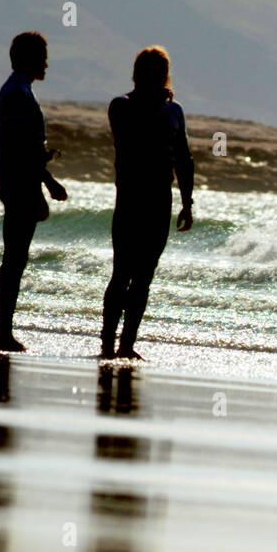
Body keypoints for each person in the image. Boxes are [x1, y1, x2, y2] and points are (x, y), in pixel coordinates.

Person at [100, 46, 194, 360]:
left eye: (160, 73)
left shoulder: (175, 112)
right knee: (122, 273)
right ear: (139, 75)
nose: (156, 79)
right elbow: (133, 142)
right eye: (150, 73)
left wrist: (187, 202)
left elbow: (183, 158)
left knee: (145, 276)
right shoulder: (122, 106)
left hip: (160, 201)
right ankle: (107, 344)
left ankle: (127, 344)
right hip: (130, 198)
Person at [0, 31, 68, 352]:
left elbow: (23, 146)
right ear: (28, 59)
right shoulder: (18, 93)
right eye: (42, 57)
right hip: (18, 182)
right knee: (14, 259)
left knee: (15, 258)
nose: (47, 64)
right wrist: (48, 180)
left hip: (18, 180)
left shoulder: (19, 91)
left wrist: (43, 161)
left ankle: (3, 332)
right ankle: (2, 334)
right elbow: (20, 149)